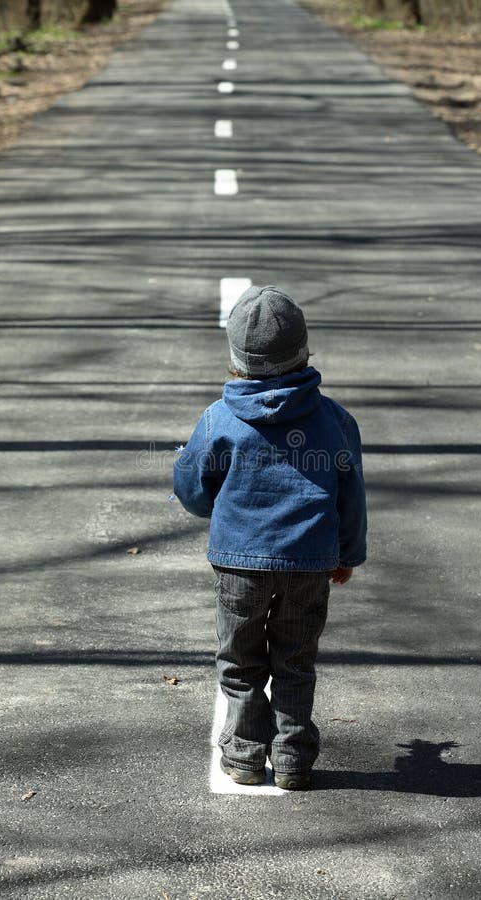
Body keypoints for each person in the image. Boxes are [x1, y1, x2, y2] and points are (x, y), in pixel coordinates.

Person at [173, 285, 367, 790]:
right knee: (295, 661)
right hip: (310, 561)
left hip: (240, 563)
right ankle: (295, 758)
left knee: (240, 660)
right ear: (304, 352)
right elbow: (351, 495)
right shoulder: (334, 420)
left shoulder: (220, 418)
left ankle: (243, 754)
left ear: (236, 358)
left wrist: (210, 503)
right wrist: (347, 554)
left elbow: (193, 489)